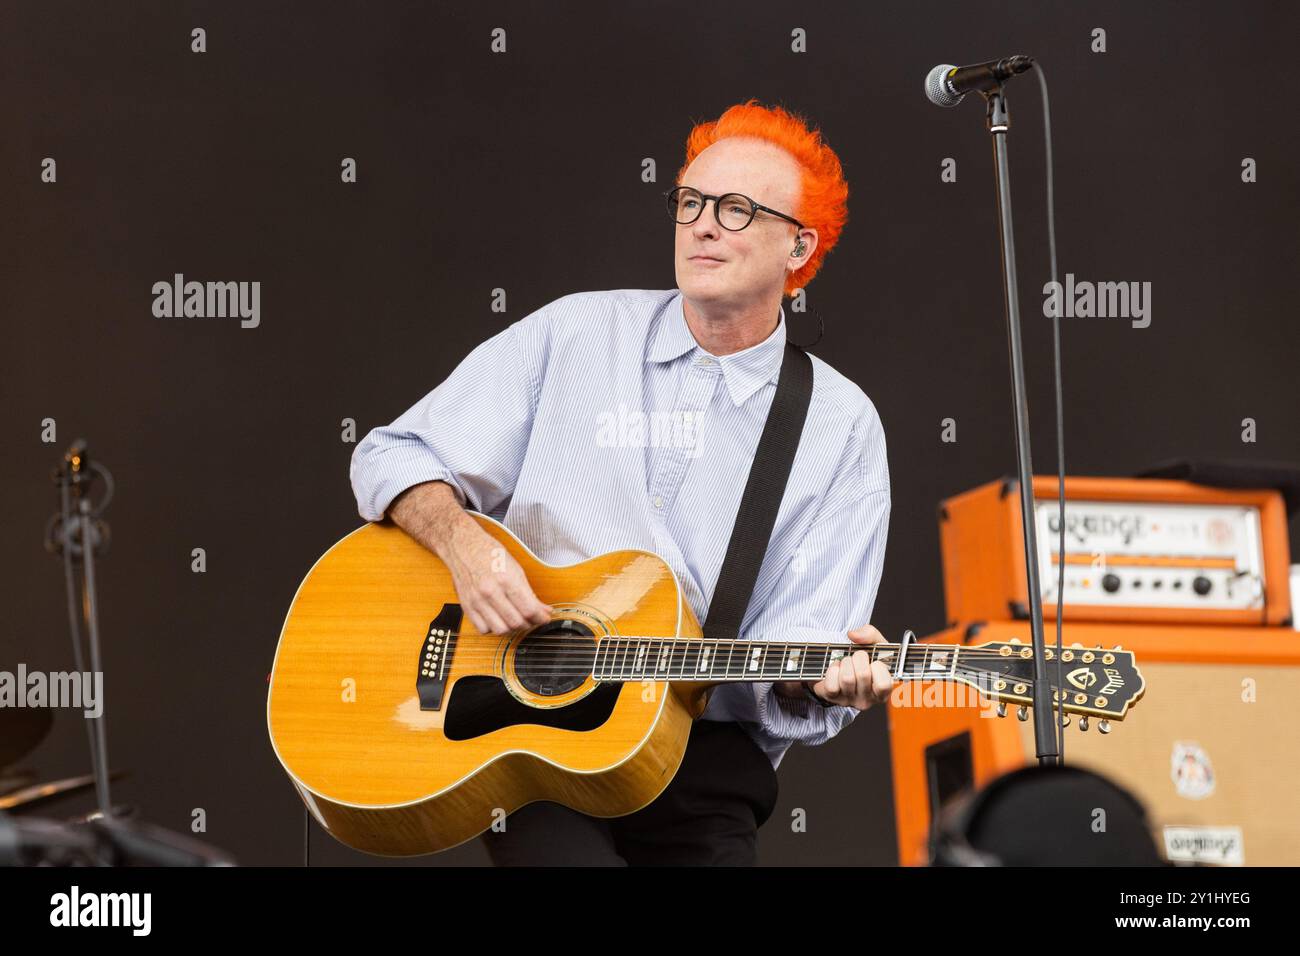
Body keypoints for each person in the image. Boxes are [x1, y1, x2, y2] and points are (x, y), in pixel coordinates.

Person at [350, 99, 893, 865]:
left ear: (799, 246)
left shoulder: (840, 424)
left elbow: (801, 648)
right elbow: (393, 453)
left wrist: (823, 683)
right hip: (534, 743)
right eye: (691, 202)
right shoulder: (574, 332)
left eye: (736, 210)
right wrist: (468, 549)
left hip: (702, 764)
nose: (702, 225)